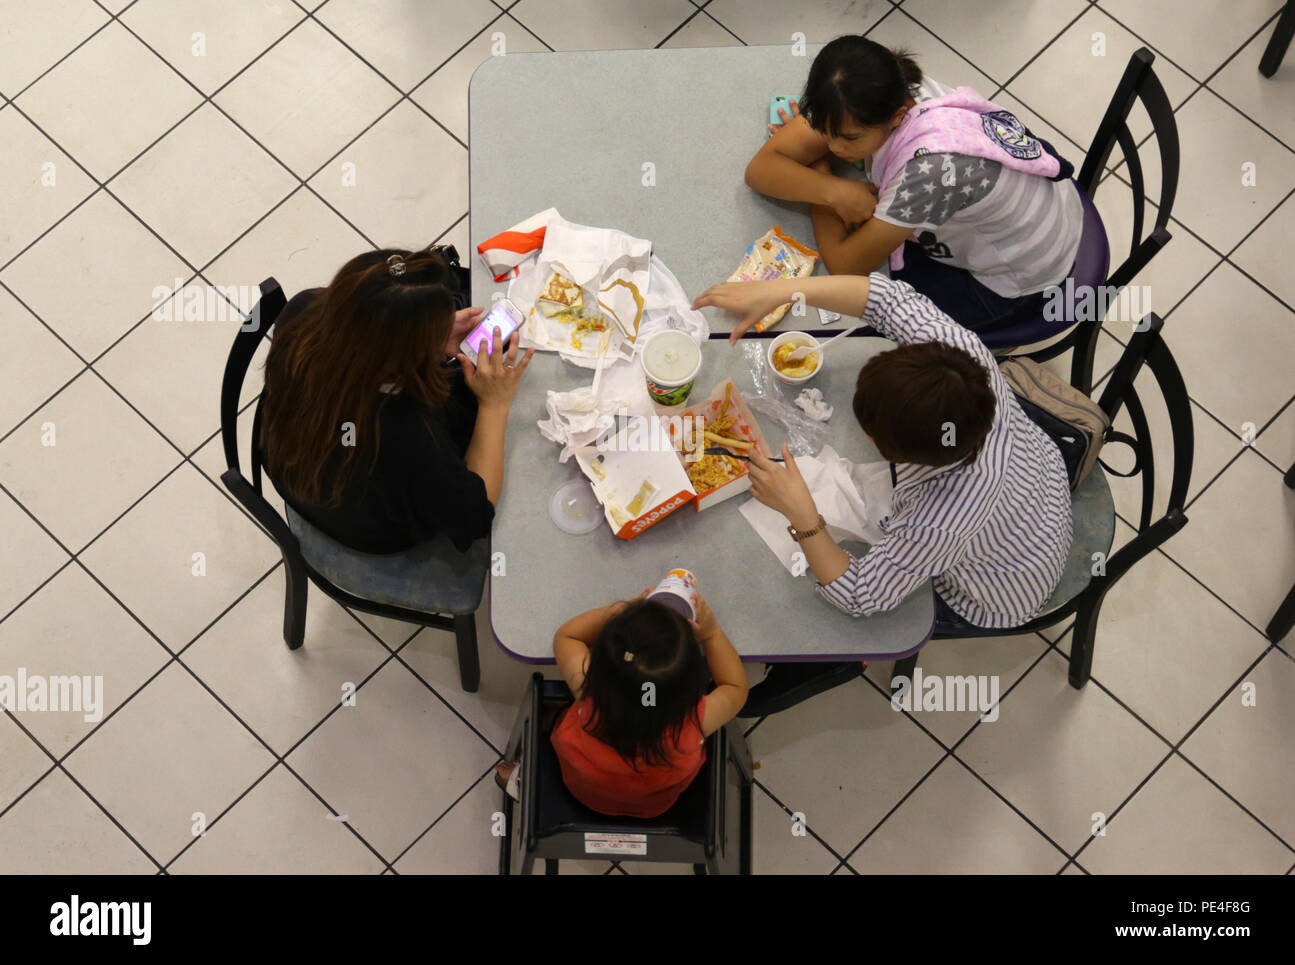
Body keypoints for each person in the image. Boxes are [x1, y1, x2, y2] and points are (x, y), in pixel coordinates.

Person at [693, 272, 1073, 716]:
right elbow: (887, 298)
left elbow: (861, 595)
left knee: (829, 623)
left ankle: (798, 679)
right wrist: (782, 291)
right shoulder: (961, 359)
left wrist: (802, 513)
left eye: (873, 435)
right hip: (1040, 479)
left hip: (1005, 583)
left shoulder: (941, 518)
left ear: (908, 457)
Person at [743, 35, 1082, 337]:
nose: (833, 147)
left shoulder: (928, 172)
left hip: (1021, 279)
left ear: (896, 117)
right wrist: (834, 191)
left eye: (849, 138)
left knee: (880, 315)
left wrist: (819, 171)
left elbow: (845, 264)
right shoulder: (885, 86)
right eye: (822, 129)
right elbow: (760, 170)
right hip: (1049, 210)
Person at [259, 247, 533, 554]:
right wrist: (494, 405)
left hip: (296, 463)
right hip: (363, 522)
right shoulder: (404, 432)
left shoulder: (305, 308)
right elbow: (474, 518)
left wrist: (423, 332)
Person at [494, 592, 747, 818]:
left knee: (558, 719)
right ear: (692, 681)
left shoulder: (589, 693)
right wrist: (712, 634)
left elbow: (567, 636)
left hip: (581, 791)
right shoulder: (695, 722)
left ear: (600, 665)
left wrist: (627, 609)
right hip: (655, 806)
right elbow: (735, 687)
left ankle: (530, 785)